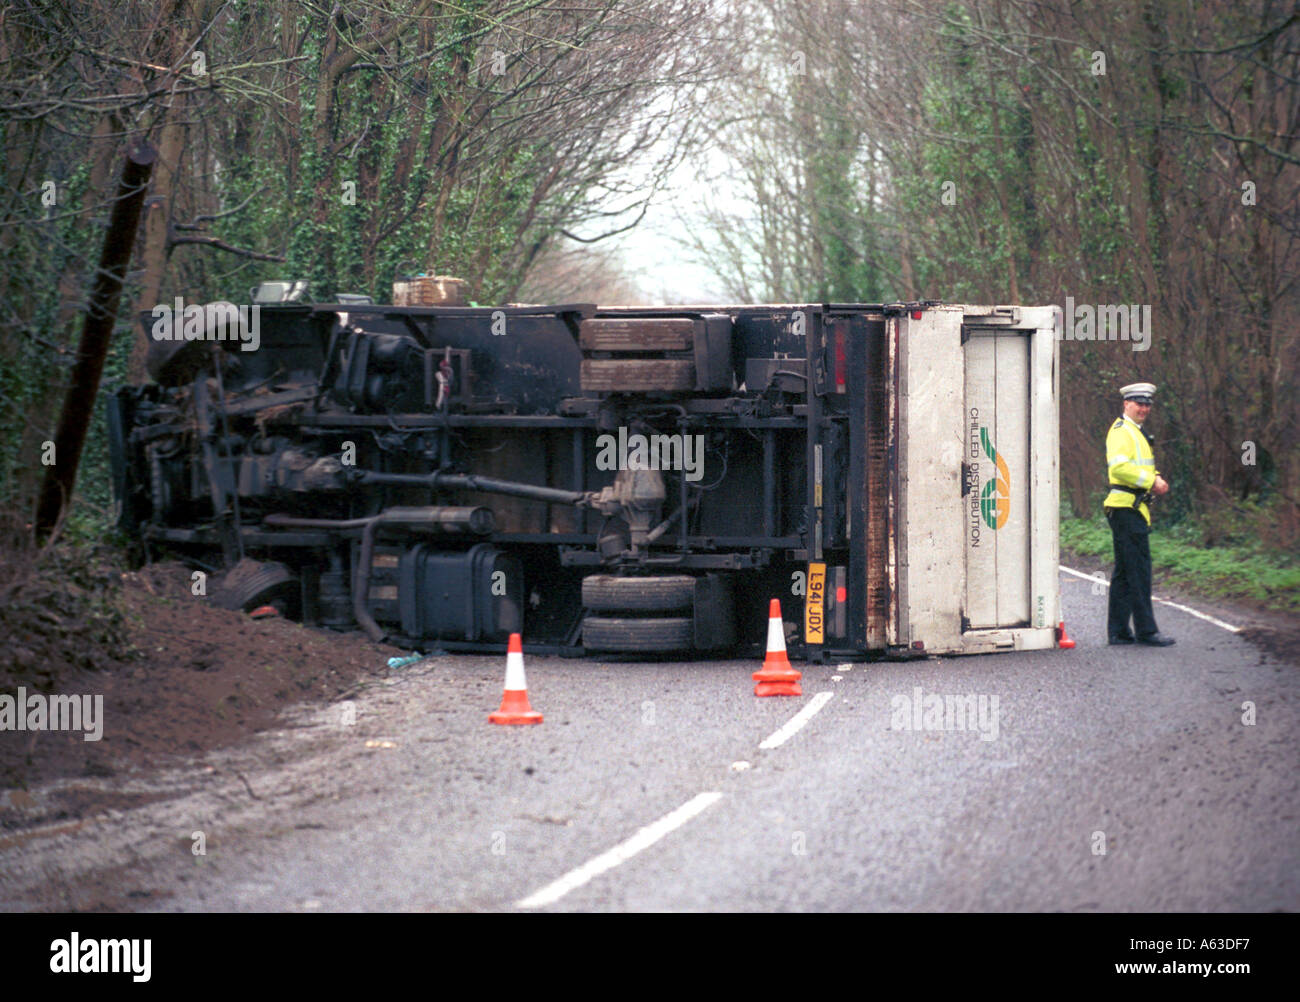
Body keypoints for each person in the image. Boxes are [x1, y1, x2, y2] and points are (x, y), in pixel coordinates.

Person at [1103, 382, 1175, 646]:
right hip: (1126, 509)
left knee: (1125, 572)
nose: (1143, 408)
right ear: (1126, 404)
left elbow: (1137, 465)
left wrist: (1154, 476)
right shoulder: (1122, 431)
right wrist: (1151, 481)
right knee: (1139, 572)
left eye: (1147, 404)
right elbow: (1120, 468)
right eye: (1138, 403)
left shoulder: (1136, 431)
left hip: (1130, 508)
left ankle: (1119, 632)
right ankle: (1147, 632)